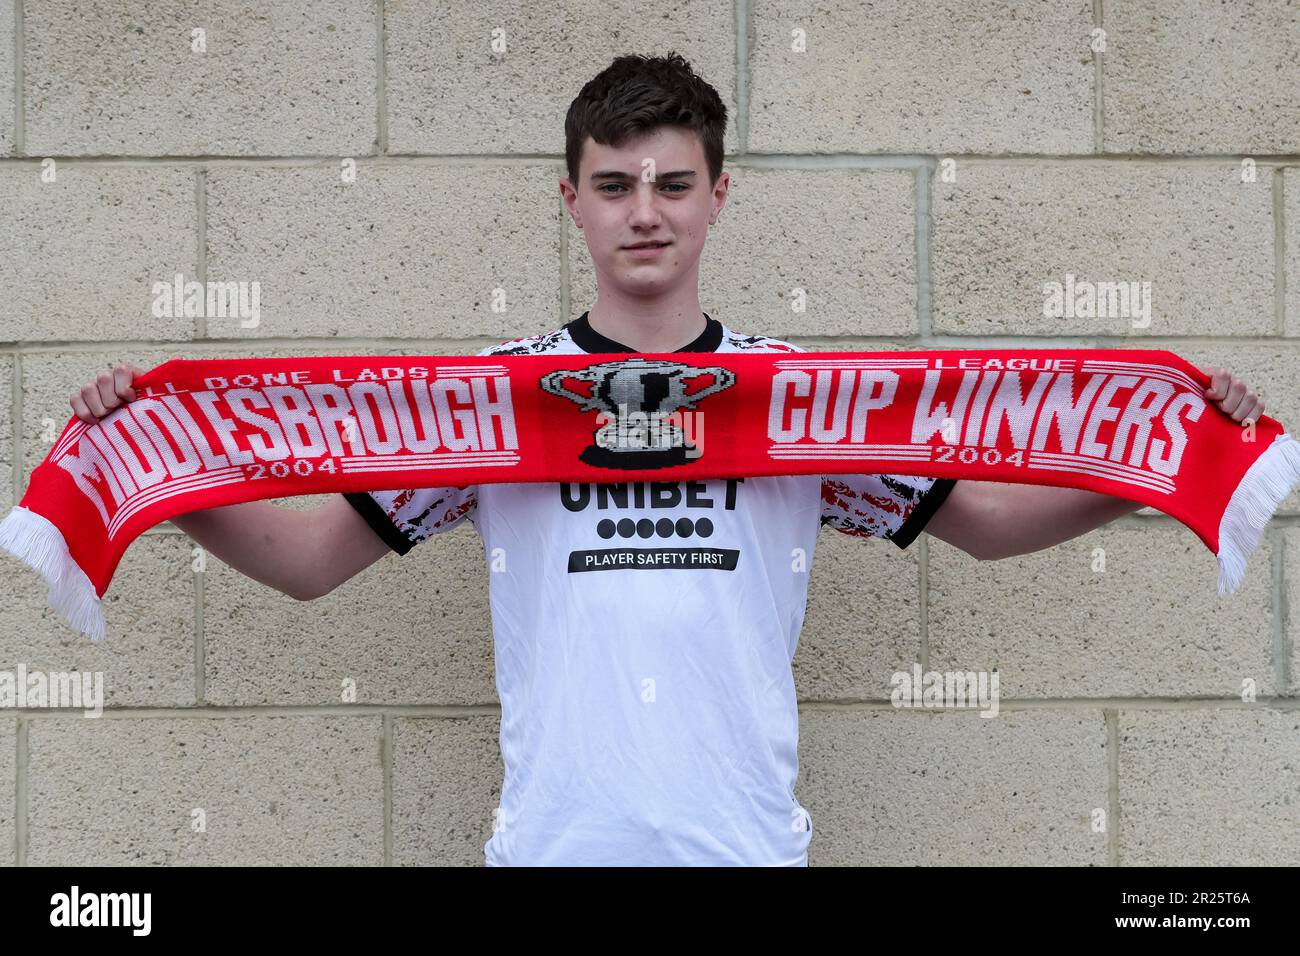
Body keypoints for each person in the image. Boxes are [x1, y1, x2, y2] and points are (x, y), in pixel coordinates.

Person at [69, 53, 1266, 866]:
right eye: (615, 183)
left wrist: (1161, 463)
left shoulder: (803, 396)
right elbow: (310, 558)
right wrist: (160, 473)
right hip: (554, 847)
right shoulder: (493, 400)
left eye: (672, 183)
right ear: (573, 201)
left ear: (715, 197)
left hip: (741, 845)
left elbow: (989, 525)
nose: (645, 208)